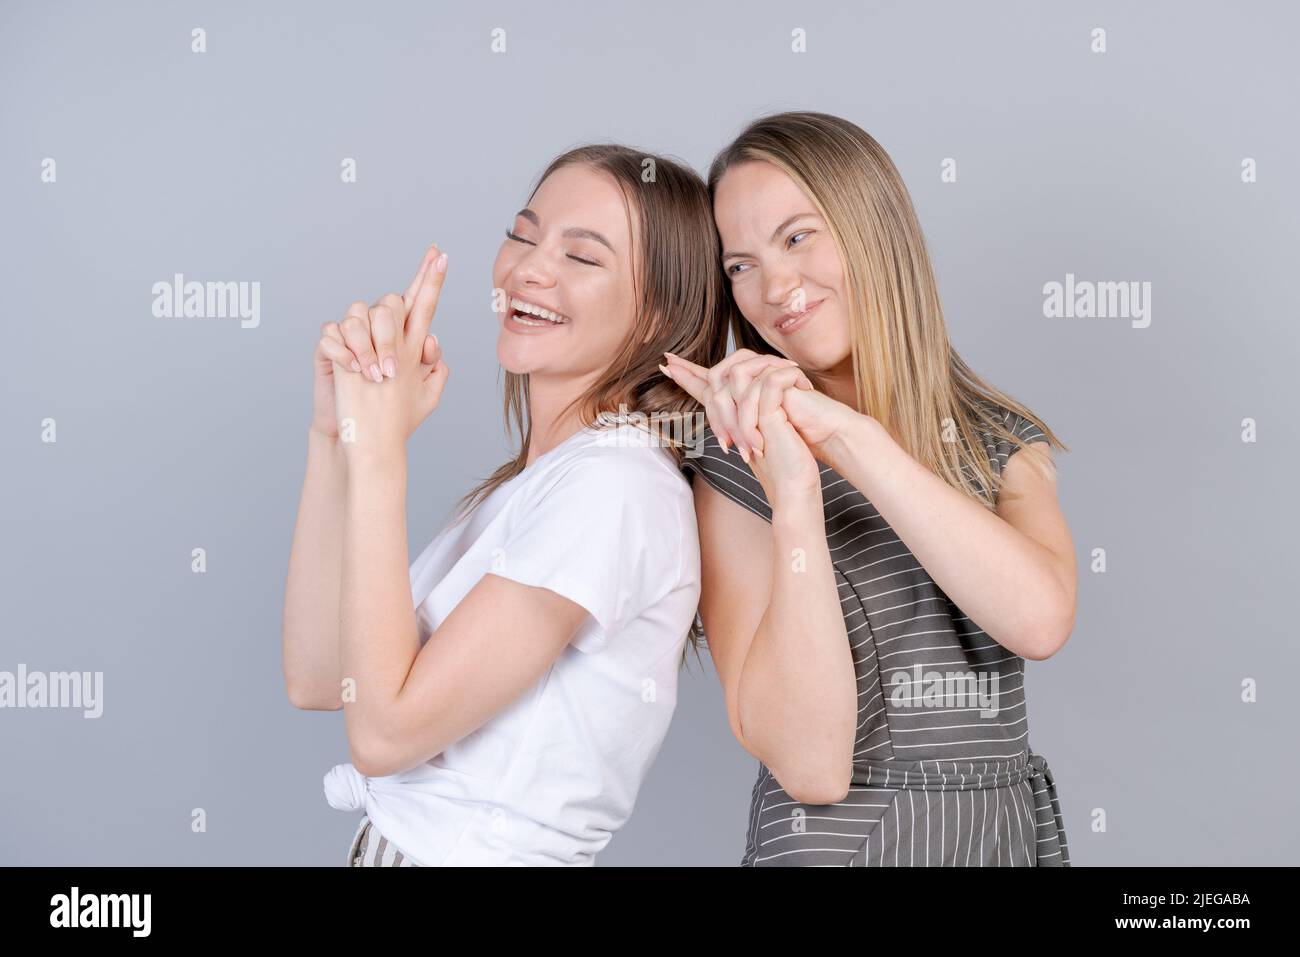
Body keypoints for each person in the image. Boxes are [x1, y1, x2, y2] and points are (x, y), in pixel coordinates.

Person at [283, 144, 725, 865]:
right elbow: (318, 673)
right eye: (523, 234)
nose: (529, 267)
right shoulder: (542, 481)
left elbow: (385, 733)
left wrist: (381, 454)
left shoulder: (615, 484)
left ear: (658, 315)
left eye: (581, 257)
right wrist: (336, 437)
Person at [661, 112, 1075, 866]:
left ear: (873, 228)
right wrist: (793, 495)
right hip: (847, 841)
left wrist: (852, 439)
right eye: (740, 265)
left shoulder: (1001, 437)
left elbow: (1039, 619)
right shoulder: (735, 463)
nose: (775, 287)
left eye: (797, 236)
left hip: (1004, 836)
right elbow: (809, 762)